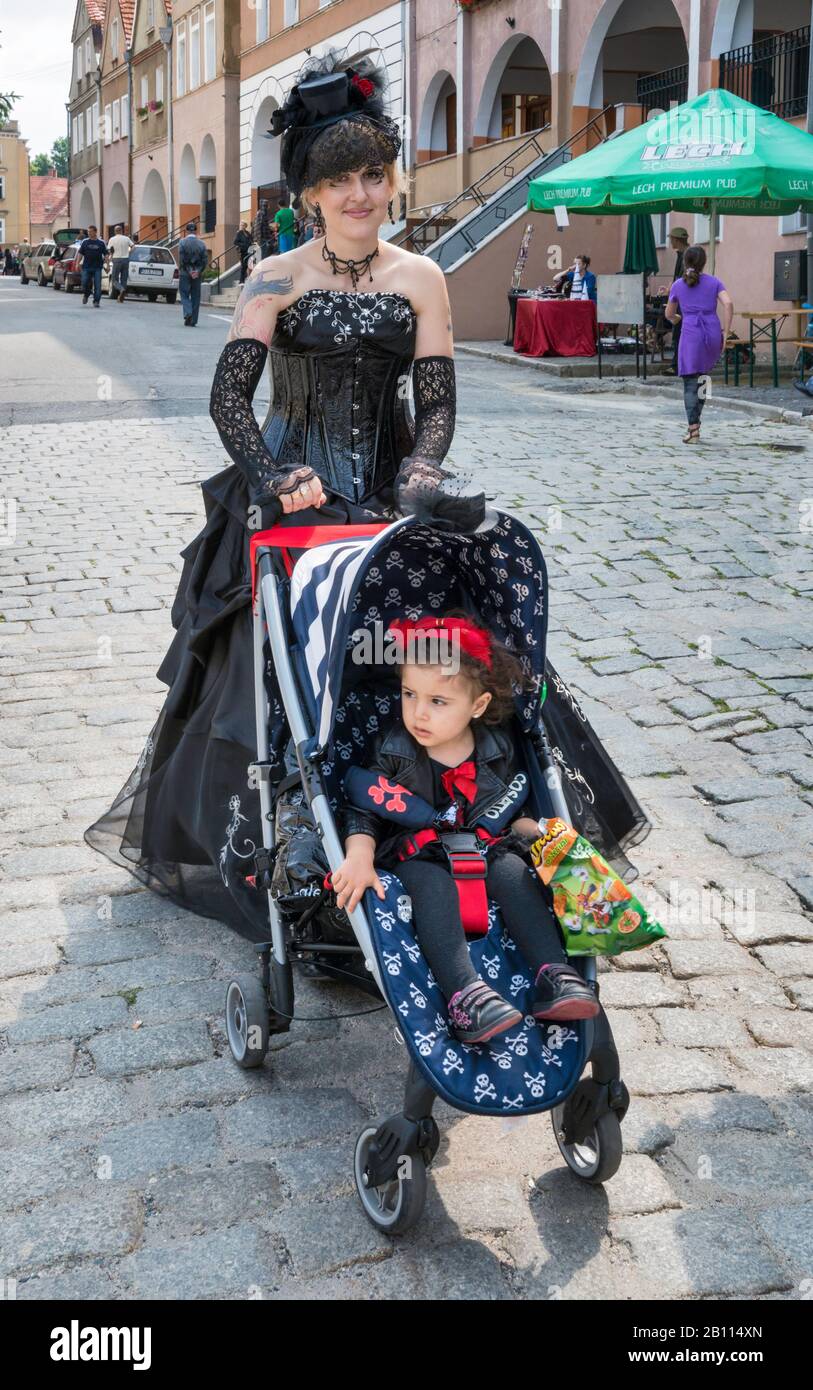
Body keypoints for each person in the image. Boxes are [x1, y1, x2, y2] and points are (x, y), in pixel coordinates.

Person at [85, 48, 647, 943]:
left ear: (391, 179)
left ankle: (446, 831)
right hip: (291, 493)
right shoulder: (274, 278)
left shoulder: (419, 279)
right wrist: (273, 476)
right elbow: (230, 397)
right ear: (308, 192)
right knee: (287, 676)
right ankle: (302, 850)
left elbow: (436, 407)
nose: (359, 195)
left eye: (373, 176)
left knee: (417, 656)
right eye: (339, 180)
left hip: (390, 497)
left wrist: (421, 474)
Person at [334, 613, 599, 1043]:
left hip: (486, 846)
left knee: (514, 875)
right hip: (415, 854)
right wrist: (359, 856)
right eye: (408, 694)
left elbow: (510, 810)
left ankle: (555, 973)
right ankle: (465, 993)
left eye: (438, 702)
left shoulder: (497, 748)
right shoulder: (393, 749)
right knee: (433, 887)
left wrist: (537, 832)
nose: (418, 713)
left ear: (476, 707)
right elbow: (363, 809)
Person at [665, 244, 734, 443]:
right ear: (703, 263)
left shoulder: (678, 284)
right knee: (704, 378)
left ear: (685, 261)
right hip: (712, 331)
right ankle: (697, 421)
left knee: (689, 382)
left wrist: (678, 319)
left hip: (691, 332)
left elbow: (669, 314)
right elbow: (728, 303)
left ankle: (693, 429)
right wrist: (726, 333)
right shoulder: (715, 282)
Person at [663, 226, 689, 374]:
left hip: (683, 301)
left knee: (679, 333)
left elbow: (683, 279)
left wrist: (673, 289)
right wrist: (670, 289)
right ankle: (677, 364)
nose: (670, 241)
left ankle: (677, 366)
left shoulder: (686, 255)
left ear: (677, 240)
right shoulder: (682, 254)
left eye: (671, 239)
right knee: (678, 332)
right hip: (679, 299)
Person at [178, 221, 208, 326]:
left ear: (186, 231)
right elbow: (205, 260)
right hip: (197, 273)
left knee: (184, 294)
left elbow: (181, 259)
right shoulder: (202, 244)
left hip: (185, 273)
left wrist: (187, 269)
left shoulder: (182, 242)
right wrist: (198, 271)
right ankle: (193, 320)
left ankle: (188, 312)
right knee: (196, 296)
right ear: (196, 231)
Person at [77, 225, 108, 307]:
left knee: (97, 285)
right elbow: (80, 253)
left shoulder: (101, 243)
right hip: (86, 267)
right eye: (88, 232)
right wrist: (77, 263)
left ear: (95, 232)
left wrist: (107, 264)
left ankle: (96, 301)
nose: (89, 233)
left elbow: (106, 254)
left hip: (97, 267)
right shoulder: (85, 242)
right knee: (84, 282)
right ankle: (86, 294)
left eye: (90, 232)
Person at [107, 223, 133, 302]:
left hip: (116, 259)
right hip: (125, 259)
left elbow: (109, 250)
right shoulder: (126, 238)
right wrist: (129, 252)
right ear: (121, 231)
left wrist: (110, 257)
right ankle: (121, 297)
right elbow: (133, 246)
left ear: (115, 231)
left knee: (114, 279)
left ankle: (121, 290)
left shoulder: (112, 239)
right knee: (124, 279)